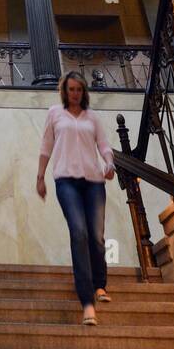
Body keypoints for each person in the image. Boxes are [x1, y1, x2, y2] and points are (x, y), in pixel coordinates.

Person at [36, 71, 116, 325]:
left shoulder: (92, 117)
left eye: (79, 89)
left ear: (84, 92)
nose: (75, 94)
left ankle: (100, 284)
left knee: (96, 236)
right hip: (66, 181)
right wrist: (40, 177)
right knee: (78, 232)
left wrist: (109, 163)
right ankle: (87, 302)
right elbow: (46, 146)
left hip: (94, 182)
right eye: (71, 89)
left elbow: (103, 145)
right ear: (64, 91)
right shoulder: (54, 113)